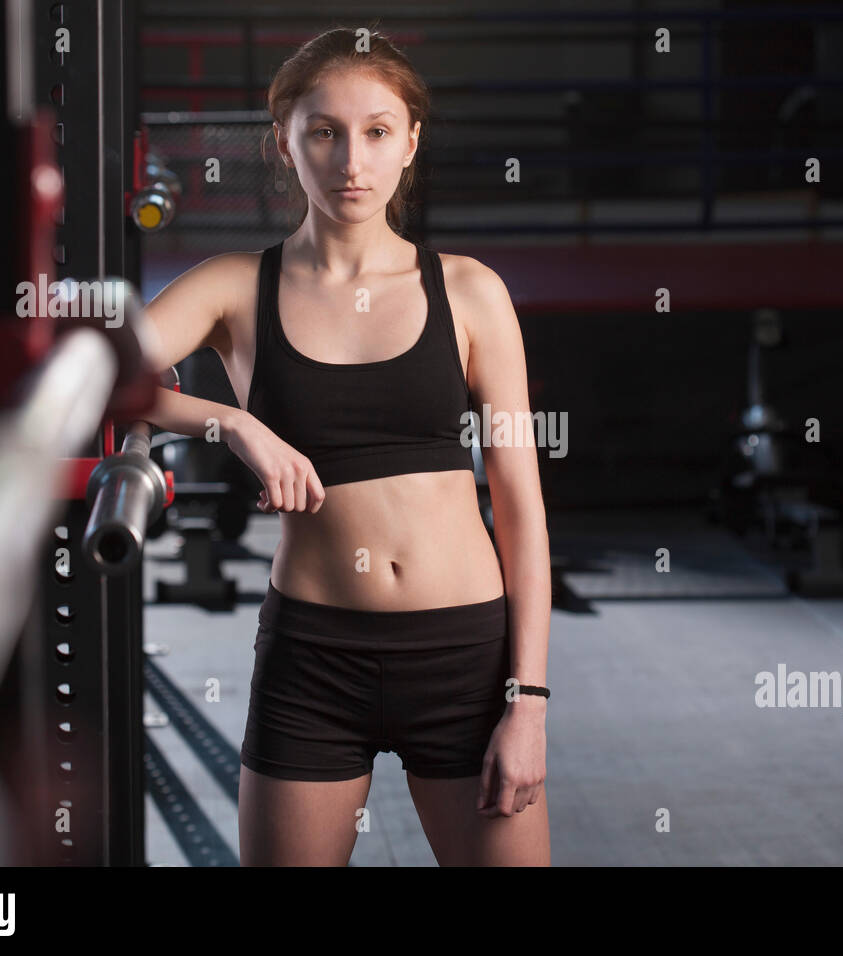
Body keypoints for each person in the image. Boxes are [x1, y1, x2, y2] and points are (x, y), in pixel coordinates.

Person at [139, 27, 551, 866]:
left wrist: (530, 701)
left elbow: (520, 507)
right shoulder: (233, 287)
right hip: (313, 663)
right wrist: (232, 422)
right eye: (322, 131)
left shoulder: (471, 292)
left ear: (411, 142)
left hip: (464, 661)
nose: (350, 161)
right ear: (284, 144)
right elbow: (90, 377)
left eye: (376, 131)